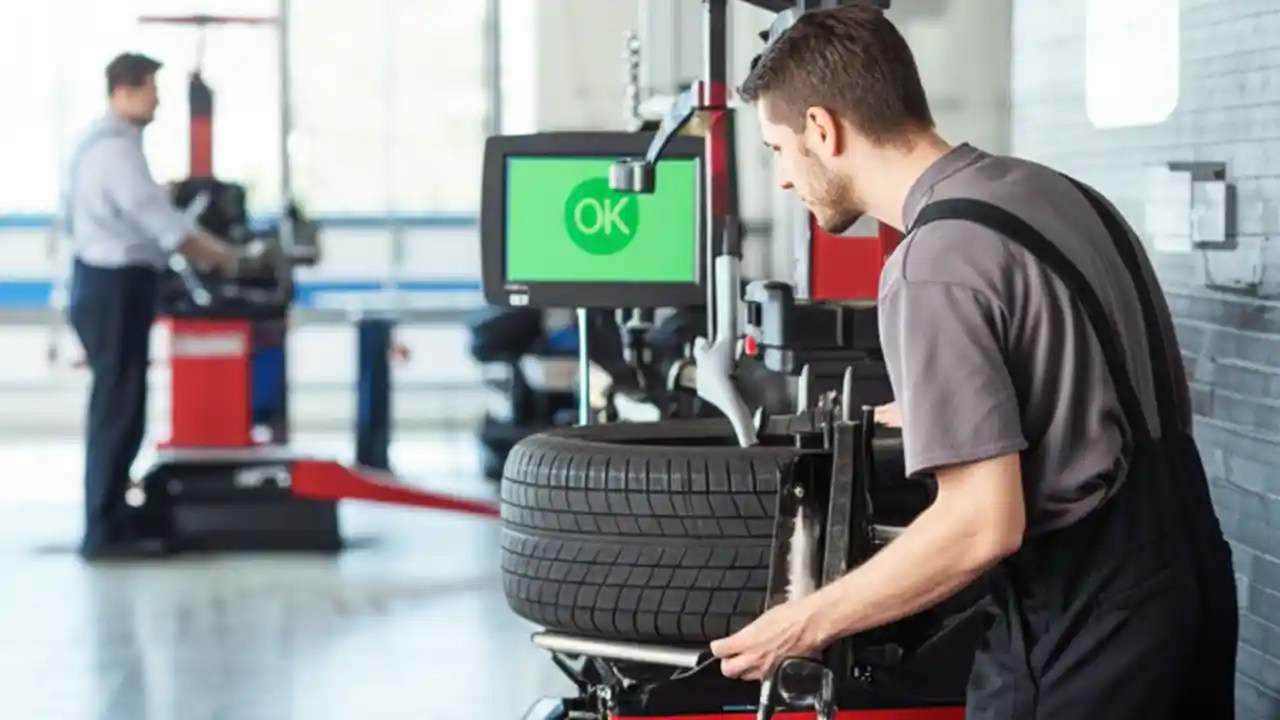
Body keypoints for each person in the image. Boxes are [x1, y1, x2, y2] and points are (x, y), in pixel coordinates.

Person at [709, 4, 1238, 718]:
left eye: (776, 149)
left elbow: (982, 524)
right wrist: (935, 411)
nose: (780, 178)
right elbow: (1091, 374)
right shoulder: (1056, 192)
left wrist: (804, 623)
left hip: (1082, 623)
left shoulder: (930, 262)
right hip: (1190, 585)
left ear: (821, 129)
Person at [64, 52, 242, 560]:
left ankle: (114, 518)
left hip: (109, 284)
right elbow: (166, 228)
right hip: (113, 286)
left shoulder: (109, 144)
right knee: (117, 410)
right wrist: (232, 259)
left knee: (121, 405)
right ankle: (103, 532)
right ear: (125, 90)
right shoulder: (115, 150)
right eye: (150, 88)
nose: (157, 99)